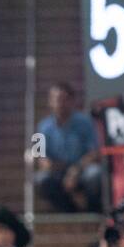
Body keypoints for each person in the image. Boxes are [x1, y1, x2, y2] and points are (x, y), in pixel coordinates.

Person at [33, 82, 102, 213]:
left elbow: (94, 152)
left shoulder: (86, 122)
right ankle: (68, 211)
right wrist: (49, 165)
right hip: (57, 171)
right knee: (40, 179)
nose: (60, 104)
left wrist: (75, 170)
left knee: (95, 174)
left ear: (72, 101)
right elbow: (39, 156)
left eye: (64, 99)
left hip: (81, 169)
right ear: (50, 102)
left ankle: (93, 212)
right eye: (56, 99)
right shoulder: (41, 126)